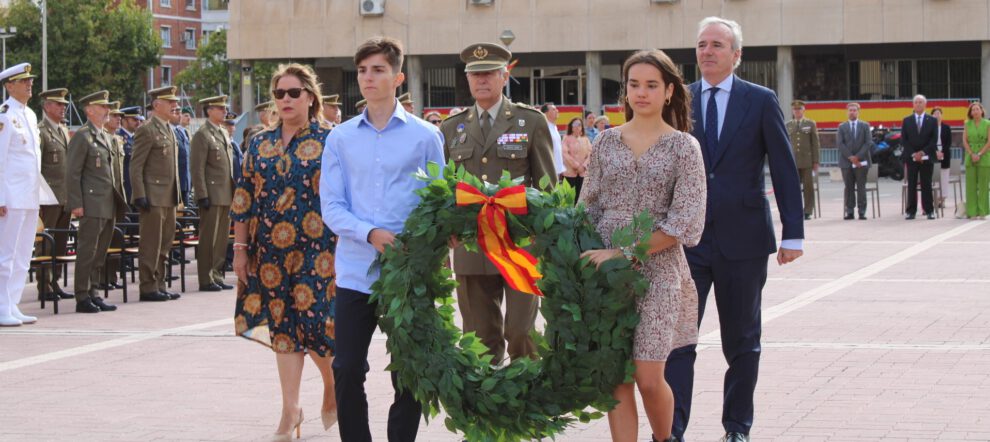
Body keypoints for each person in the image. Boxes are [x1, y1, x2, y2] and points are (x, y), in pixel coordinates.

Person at [665, 17, 804, 442]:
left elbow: (784, 167)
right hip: (685, 241)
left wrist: (793, 233)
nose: (707, 51)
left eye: (717, 45)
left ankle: (736, 428)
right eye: (701, 44)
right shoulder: (678, 100)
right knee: (678, 340)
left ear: (736, 55)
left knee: (742, 340)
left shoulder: (760, 100)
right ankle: (672, 430)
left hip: (744, 240)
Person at [579, 49, 705, 442]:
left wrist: (623, 254)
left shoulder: (684, 147)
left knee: (649, 378)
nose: (641, 92)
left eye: (651, 85)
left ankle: (665, 439)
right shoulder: (605, 142)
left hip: (659, 272)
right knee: (617, 378)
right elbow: (587, 206)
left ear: (669, 91)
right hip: (605, 274)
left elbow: (684, 223)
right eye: (634, 84)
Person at [321, 37, 443, 442]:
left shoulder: (425, 136)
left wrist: (425, 248)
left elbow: (438, 201)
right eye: (362, 70)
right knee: (347, 367)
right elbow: (331, 206)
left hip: (407, 274)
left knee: (410, 370)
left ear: (398, 77)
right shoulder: (340, 138)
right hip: (356, 271)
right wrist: (369, 233)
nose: (368, 78)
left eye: (377, 70)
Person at [231, 63, 338, 440]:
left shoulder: (332, 139)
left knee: (316, 326)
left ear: (310, 97)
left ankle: (332, 383)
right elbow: (244, 196)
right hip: (269, 253)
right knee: (283, 330)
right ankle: (290, 410)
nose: (286, 100)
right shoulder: (259, 142)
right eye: (280, 94)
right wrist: (240, 249)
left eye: (294, 93)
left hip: (318, 250)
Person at [439, 42, 557, 363]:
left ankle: (526, 390)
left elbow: (547, 186)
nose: (482, 80)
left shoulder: (529, 122)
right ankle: (485, 395)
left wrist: (545, 239)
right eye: (475, 74)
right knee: (479, 341)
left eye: (489, 73)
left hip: (518, 243)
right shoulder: (451, 127)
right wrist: (446, 233)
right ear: (467, 79)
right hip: (472, 246)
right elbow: (445, 189)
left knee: (521, 332)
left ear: (505, 76)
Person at [66, 90, 127, 314]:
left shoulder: (105, 136)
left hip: (107, 202)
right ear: (89, 110)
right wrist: (76, 203)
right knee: (87, 251)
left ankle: (93, 292)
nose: (107, 110)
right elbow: (72, 172)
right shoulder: (83, 136)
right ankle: (82, 296)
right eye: (103, 107)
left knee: (100, 252)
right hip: (91, 202)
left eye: (107, 107)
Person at [0, 63, 45, 326]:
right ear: (9, 86)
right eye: (23, 81)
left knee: (23, 255)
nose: (29, 84)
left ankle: (12, 303)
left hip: (29, 194)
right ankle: (1, 306)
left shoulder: (29, 114)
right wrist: (0, 198)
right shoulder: (5, 115)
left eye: (30, 80)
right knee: (6, 254)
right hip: (11, 196)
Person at [129, 86, 182, 302]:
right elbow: (136, 165)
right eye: (170, 102)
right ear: (157, 105)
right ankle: (148, 286)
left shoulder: (169, 128)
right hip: (153, 195)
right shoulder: (147, 129)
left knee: (165, 243)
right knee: (151, 244)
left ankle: (160, 283)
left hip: (168, 195)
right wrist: (139, 194)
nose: (174, 105)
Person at [191, 96, 235, 292]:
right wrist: (202, 194)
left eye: (225, 108)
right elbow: (197, 168)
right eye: (220, 108)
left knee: (221, 239)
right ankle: (205, 278)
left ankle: (216, 274)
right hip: (211, 193)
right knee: (209, 239)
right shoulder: (202, 134)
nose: (224, 111)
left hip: (225, 193)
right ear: (209, 111)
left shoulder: (223, 132)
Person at [36, 88, 74, 300]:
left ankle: (55, 282)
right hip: (48, 198)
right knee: (46, 243)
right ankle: (44, 286)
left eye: (64, 104)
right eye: (59, 104)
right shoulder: (41, 132)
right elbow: (36, 168)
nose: (63, 108)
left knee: (60, 242)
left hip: (64, 197)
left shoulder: (63, 131)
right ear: (47, 106)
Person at [94, 101, 128, 290]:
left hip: (117, 196)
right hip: (103, 196)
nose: (118, 119)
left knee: (115, 239)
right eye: (114, 115)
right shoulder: (101, 138)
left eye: (119, 116)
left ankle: (111, 276)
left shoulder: (117, 139)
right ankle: (99, 278)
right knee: (101, 241)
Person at [902, 94, 939, 220]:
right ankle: (911, 211)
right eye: (916, 102)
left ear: (925, 104)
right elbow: (904, 140)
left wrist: (922, 153)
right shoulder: (907, 120)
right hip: (911, 158)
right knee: (912, 184)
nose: (918, 104)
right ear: (913, 105)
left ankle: (929, 211)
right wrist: (914, 154)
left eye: (920, 102)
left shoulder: (932, 120)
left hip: (927, 157)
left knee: (926, 184)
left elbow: (933, 140)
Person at [835, 102, 872, 220]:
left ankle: (862, 211)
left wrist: (858, 157)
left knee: (861, 187)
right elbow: (840, 144)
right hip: (846, 162)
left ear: (858, 112)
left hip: (861, 162)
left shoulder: (865, 126)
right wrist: (851, 157)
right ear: (847, 112)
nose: (852, 112)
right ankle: (849, 211)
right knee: (849, 187)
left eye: (854, 110)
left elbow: (868, 143)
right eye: (850, 110)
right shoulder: (842, 127)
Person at [785, 100, 820, 220]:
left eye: (799, 109)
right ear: (792, 111)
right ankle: (795, 210)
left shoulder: (810, 123)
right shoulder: (788, 125)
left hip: (807, 161)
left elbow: (815, 143)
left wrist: (816, 161)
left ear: (803, 110)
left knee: (808, 187)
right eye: (795, 109)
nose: (797, 111)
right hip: (793, 161)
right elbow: (786, 144)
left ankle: (808, 211)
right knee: (793, 188)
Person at [963, 101, 990, 219]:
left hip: (984, 156)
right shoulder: (967, 124)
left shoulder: (987, 123)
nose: (975, 111)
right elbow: (964, 140)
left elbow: (989, 142)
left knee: (983, 185)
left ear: (981, 111)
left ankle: (982, 211)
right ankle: (972, 212)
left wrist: (979, 154)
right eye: (973, 110)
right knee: (971, 186)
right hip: (970, 156)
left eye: (977, 109)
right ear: (970, 112)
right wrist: (971, 153)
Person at [562, 116, 592, 197]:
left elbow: (590, 153)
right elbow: (565, 154)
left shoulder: (585, 139)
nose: (577, 127)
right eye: (575, 124)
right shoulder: (566, 138)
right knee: (570, 197)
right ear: (571, 127)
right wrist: (576, 166)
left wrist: (584, 166)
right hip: (570, 172)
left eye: (579, 124)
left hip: (583, 172)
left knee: (581, 196)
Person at [118, 106, 142, 203]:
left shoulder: (137, 137)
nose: (138, 122)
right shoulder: (118, 138)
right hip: (126, 188)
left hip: (137, 188)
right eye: (134, 119)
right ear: (124, 120)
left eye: (139, 119)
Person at [173, 107, 193, 208]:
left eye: (189, 116)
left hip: (187, 179)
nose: (188, 118)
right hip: (179, 179)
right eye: (186, 115)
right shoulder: (174, 132)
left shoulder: (187, 133)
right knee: (179, 211)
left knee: (186, 209)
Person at [932, 107, 952, 209]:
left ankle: (942, 200)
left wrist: (942, 152)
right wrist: (936, 151)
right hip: (933, 153)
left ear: (942, 115)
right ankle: (935, 199)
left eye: (938, 113)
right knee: (934, 177)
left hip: (945, 153)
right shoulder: (930, 128)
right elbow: (930, 141)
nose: (937, 115)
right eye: (935, 113)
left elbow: (948, 142)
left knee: (944, 177)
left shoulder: (946, 127)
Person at [540, 102, 566, 177]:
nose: (557, 111)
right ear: (546, 113)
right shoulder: (544, 128)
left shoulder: (554, 127)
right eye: (554, 109)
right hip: (548, 169)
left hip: (557, 169)